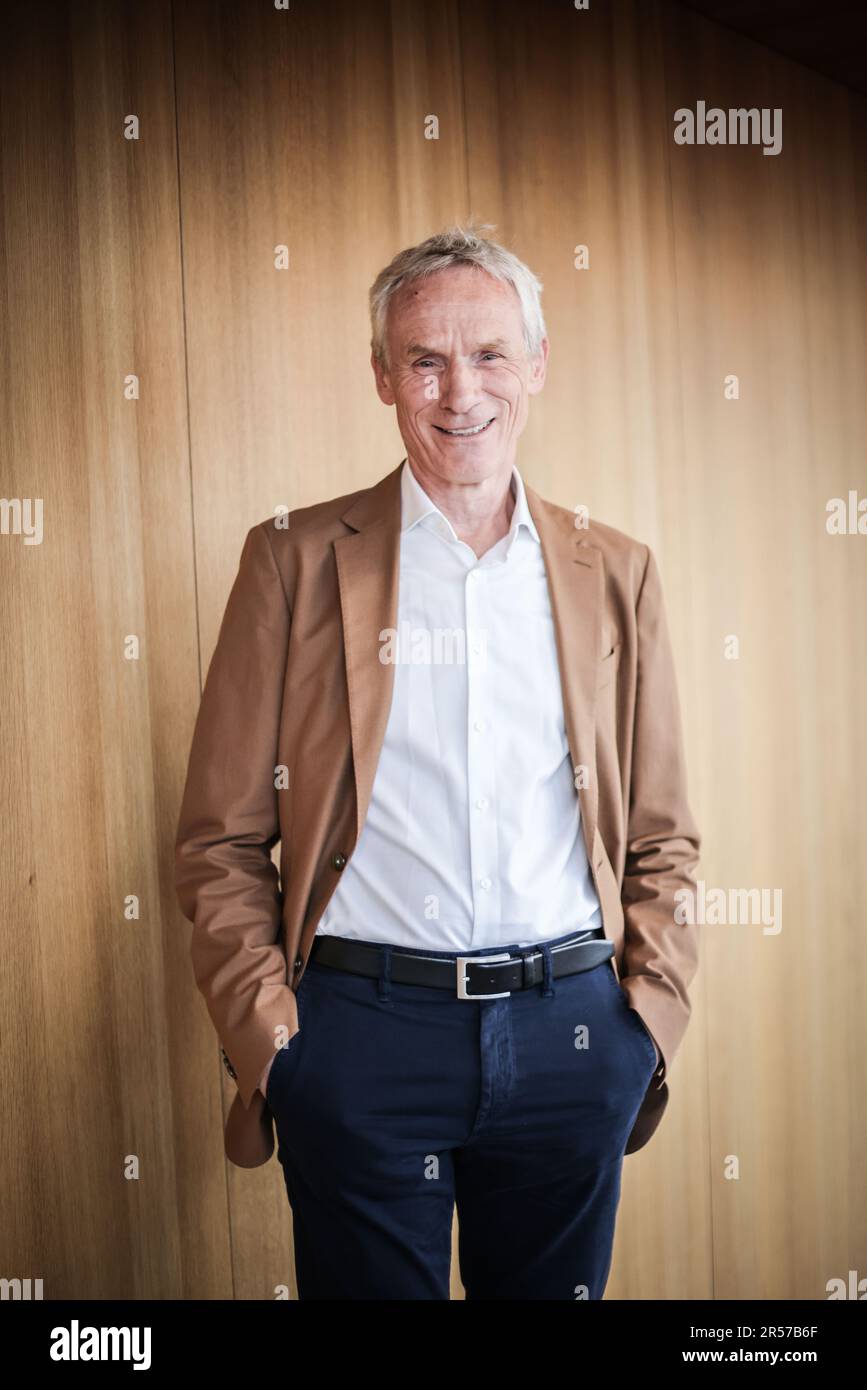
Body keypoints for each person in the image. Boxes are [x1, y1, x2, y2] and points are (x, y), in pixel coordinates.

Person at [174, 224, 701, 1300]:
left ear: (537, 365)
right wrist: (277, 1041)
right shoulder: (292, 559)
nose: (461, 390)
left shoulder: (618, 573)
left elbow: (663, 832)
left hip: (571, 1034)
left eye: (492, 354)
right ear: (383, 376)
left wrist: (645, 1023)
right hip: (359, 1042)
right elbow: (220, 838)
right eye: (425, 359)